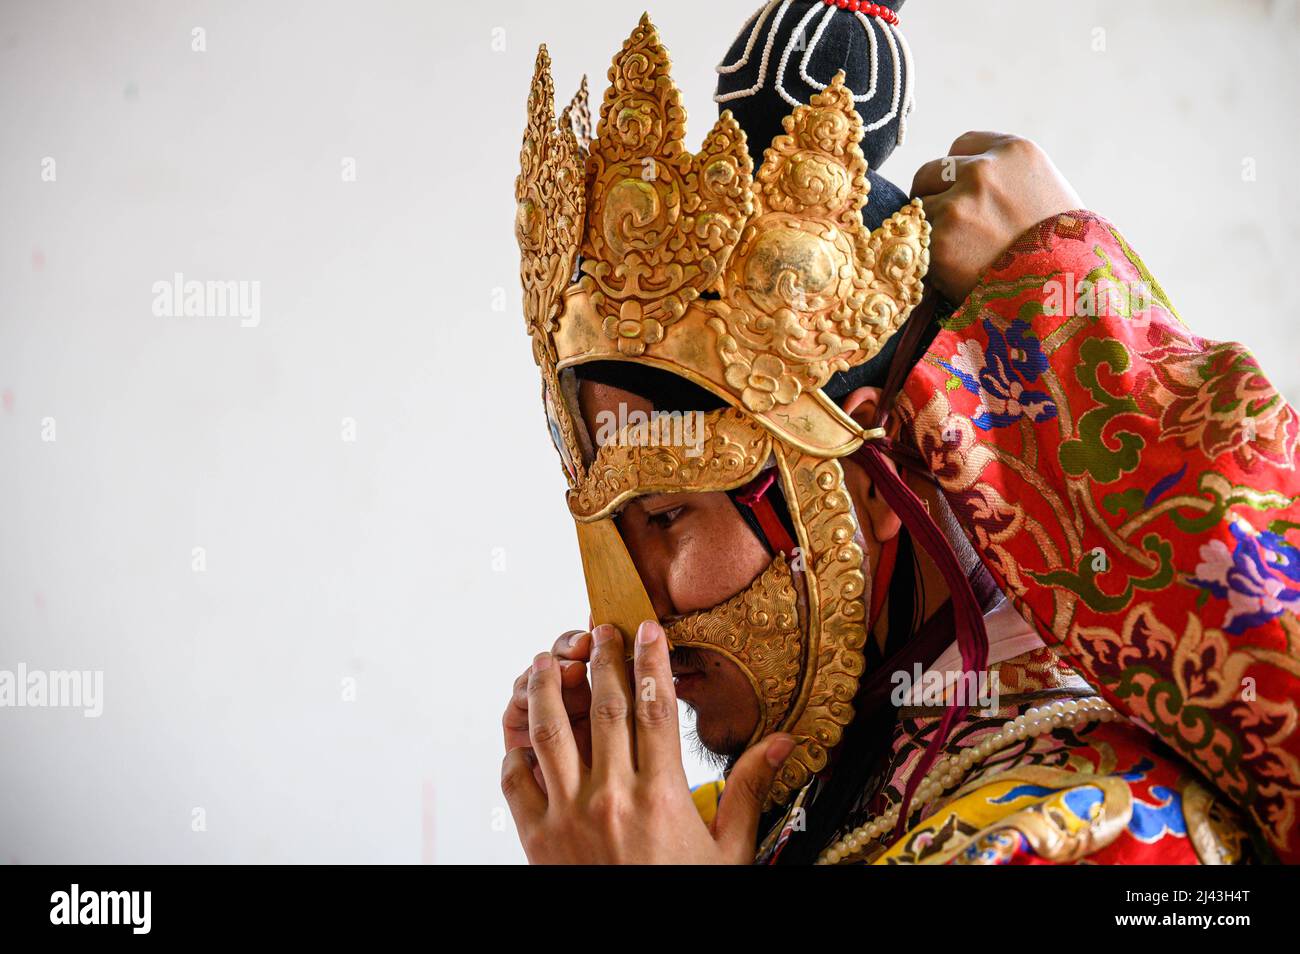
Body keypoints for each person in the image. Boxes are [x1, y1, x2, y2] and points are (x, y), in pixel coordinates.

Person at [500, 4, 1300, 864]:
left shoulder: (1096, 829)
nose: (619, 612)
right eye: (608, 535)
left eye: (664, 518)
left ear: (872, 484)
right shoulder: (723, 828)